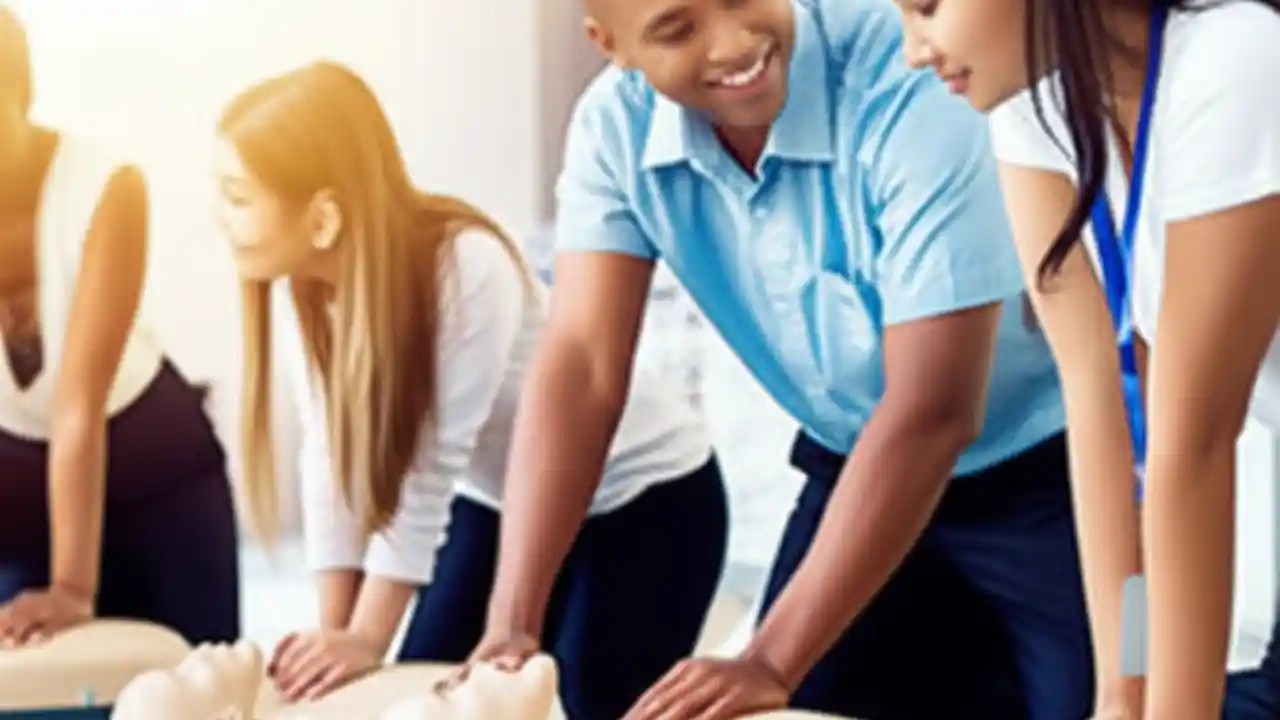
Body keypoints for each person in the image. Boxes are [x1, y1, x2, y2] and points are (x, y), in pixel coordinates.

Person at [454, 0, 1099, 718]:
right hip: (854, 466)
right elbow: (582, 366)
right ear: (611, 46)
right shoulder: (613, 129)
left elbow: (934, 410)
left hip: (1057, 475)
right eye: (677, 29)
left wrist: (766, 659)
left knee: (1124, 695)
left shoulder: (918, 76)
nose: (733, 43)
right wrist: (512, 625)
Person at [212, 61, 729, 720]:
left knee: (591, 705)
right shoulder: (304, 293)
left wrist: (368, 637)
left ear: (322, 218)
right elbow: (329, 460)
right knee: (423, 694)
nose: (219, 219)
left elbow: (428, 469)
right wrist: (336, 636)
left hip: (645, 499)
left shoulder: (463, 265)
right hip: (500, 501)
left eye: (237, 197)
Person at [892, 0, 1280, 717]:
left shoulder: (1239, 61)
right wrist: (1122, 690)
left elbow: (1195, 443)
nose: (914, 50)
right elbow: (1103, 399)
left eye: (927, 7)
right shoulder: (1032, 98)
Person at [0, 4, 239, 647]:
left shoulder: (106, 185)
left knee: (195, 684)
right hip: (19, 491)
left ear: (22, 95)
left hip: (156, 472)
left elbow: (78, 402)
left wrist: (72, 588)